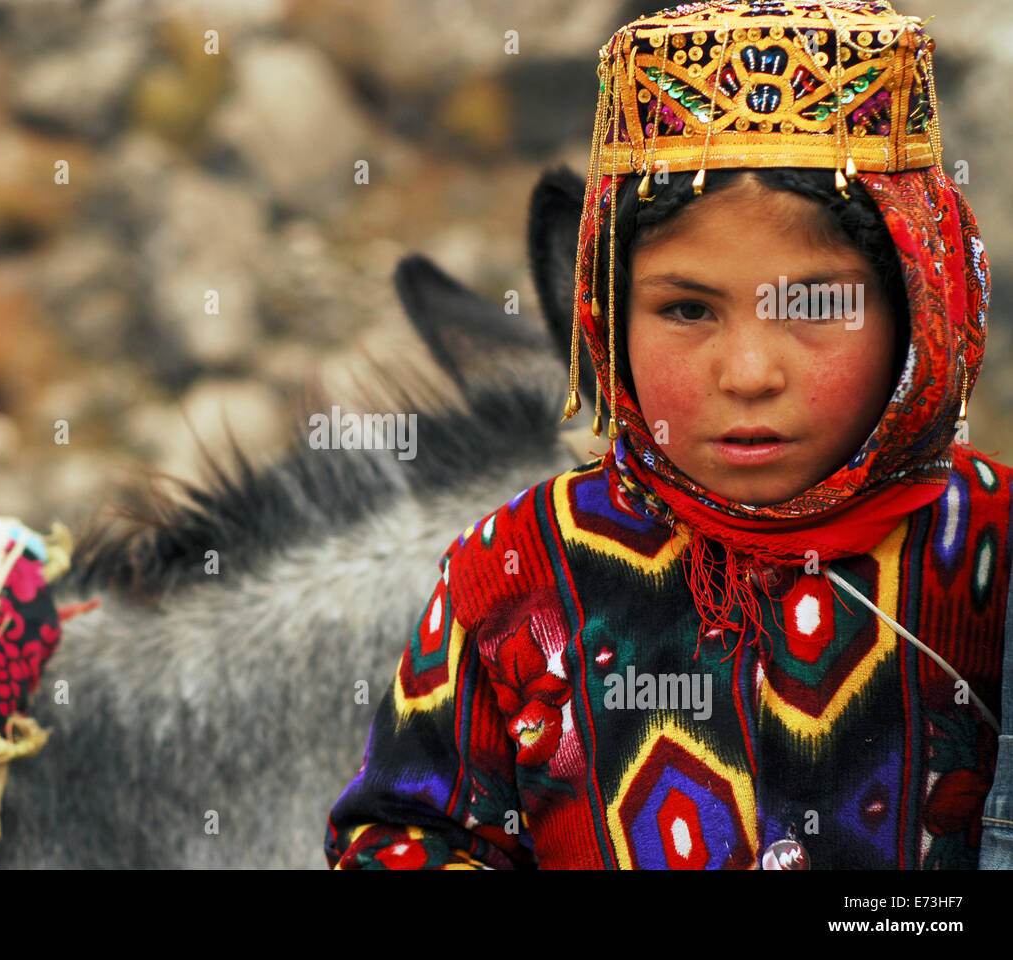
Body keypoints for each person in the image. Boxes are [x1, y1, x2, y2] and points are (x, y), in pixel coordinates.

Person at [324, 0, 1010, 869]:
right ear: (606, 319)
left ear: (919, 304)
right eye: (687, 309)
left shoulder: (994, 548)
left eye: (816, 304)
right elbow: (399, 835)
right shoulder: (515, 571)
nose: (750, 372)